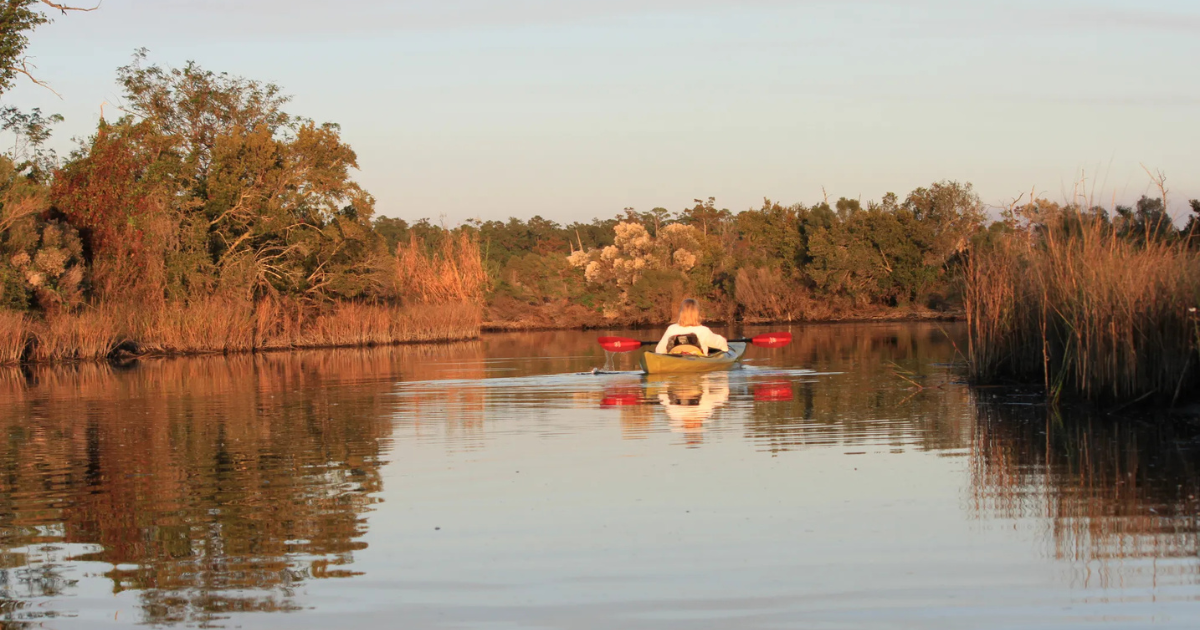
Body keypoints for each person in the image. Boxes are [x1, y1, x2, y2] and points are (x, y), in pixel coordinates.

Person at [654, 299, 729, 356]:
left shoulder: (672, 329)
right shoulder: (703, 330)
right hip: (699, 365)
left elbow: (659, 350)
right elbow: (722, 344)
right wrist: (724, 342)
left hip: (675, 362)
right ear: (697, 314)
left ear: (681, 313)